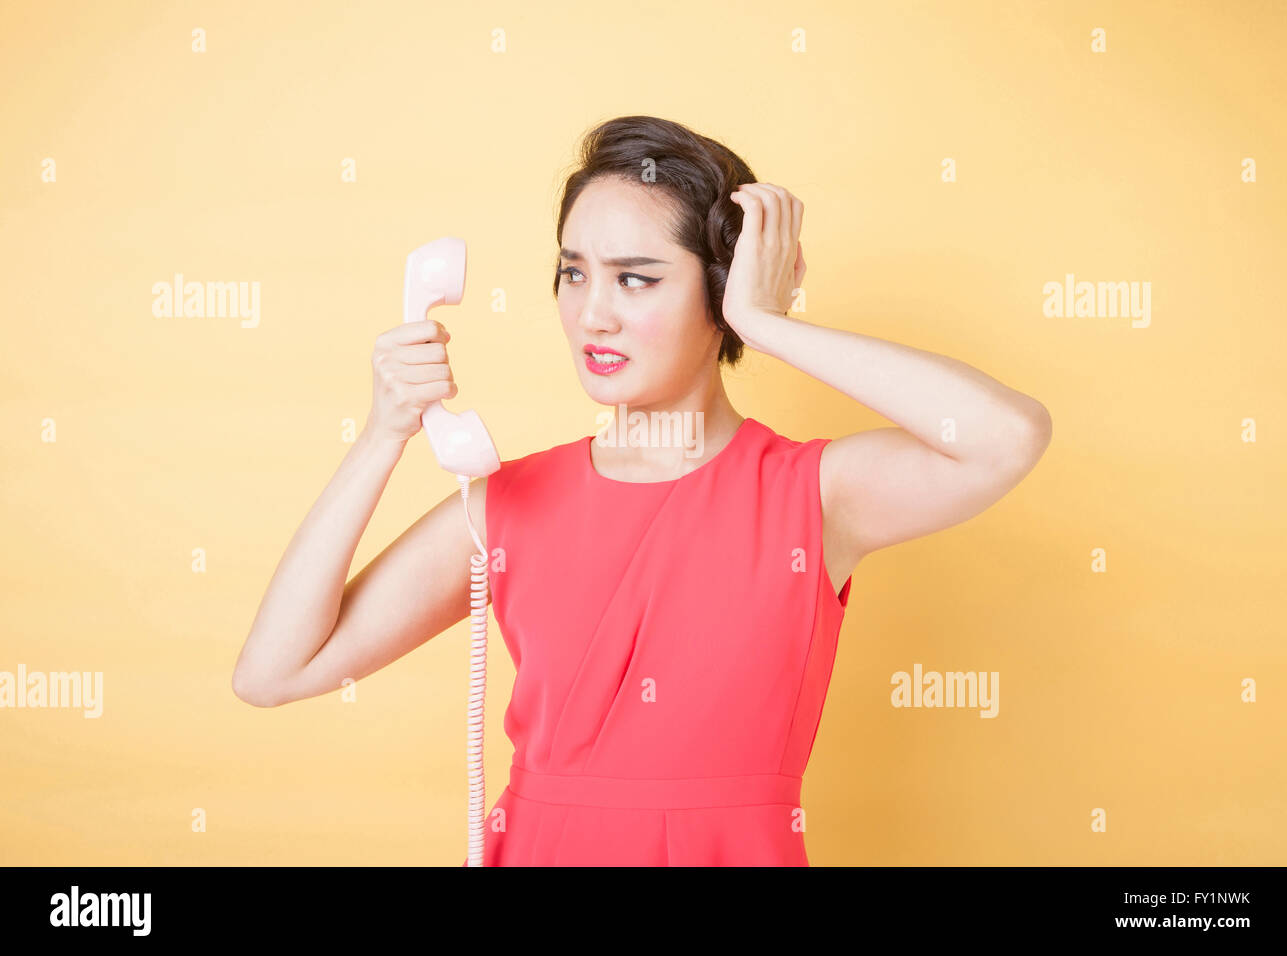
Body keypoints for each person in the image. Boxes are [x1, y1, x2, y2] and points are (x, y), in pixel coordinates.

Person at [231, 115, 1052, 865]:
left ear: (721, 289)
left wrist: (768, 324)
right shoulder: (505, 503)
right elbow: (273, 673)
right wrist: (384, 433)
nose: (592, 315)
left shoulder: (815, 496)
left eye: (635, 279)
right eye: (573, 272)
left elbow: (1005, 437)